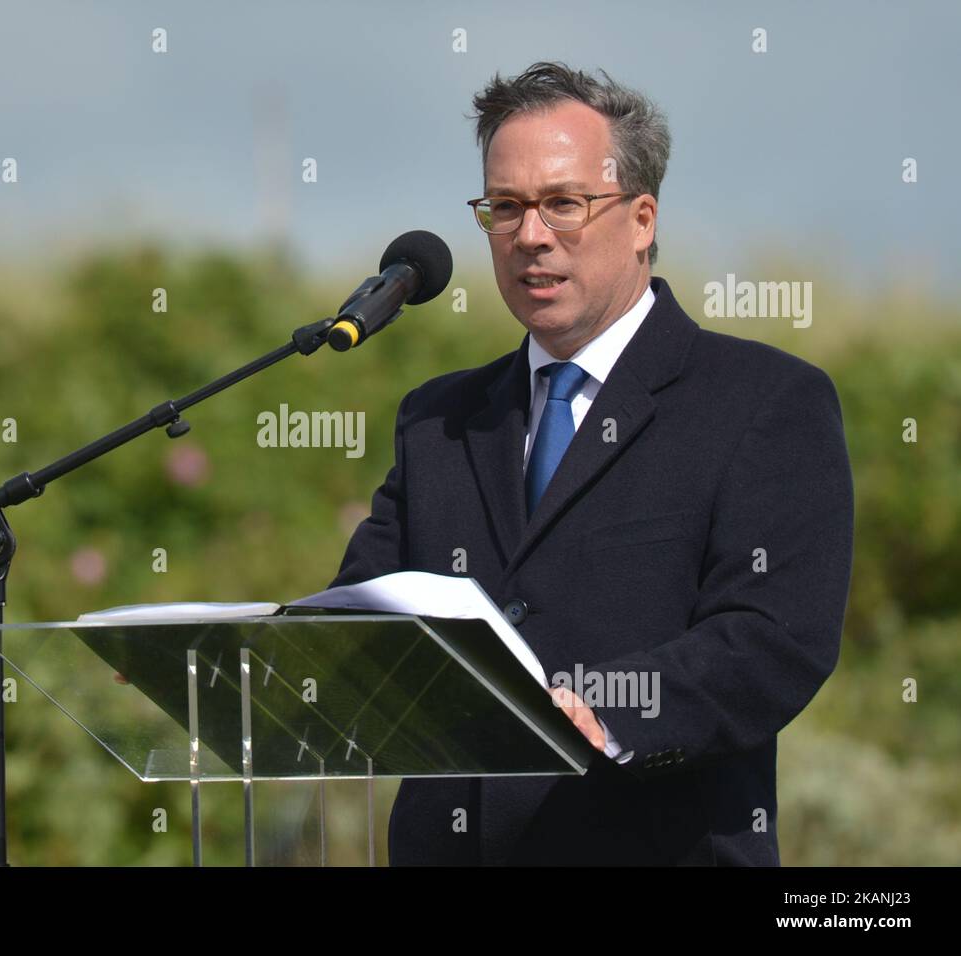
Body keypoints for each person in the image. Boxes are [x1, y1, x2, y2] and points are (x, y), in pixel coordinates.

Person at [327, 62, 854, 865]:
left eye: (563, 204)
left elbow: (773, 639)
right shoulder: (439, 419)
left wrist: (605, 708)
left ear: (642, 218)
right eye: (504, 208)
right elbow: (363, 617)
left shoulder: (764, 402)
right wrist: (226, 672)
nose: (529, 236)